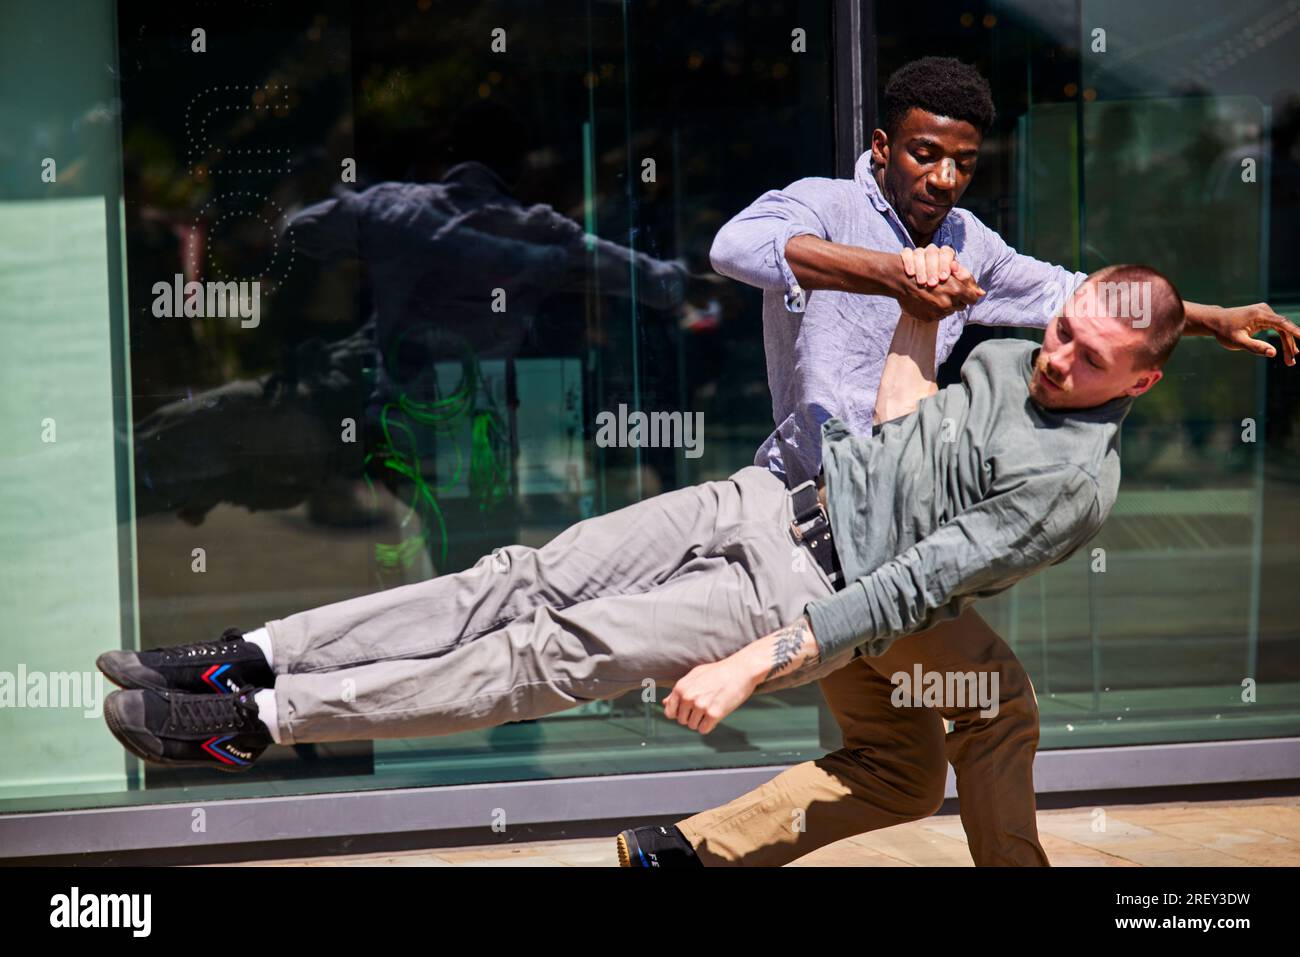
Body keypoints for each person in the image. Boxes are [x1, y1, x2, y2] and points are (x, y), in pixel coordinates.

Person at [99, 263, 1178, 822]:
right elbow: (905, 428)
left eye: (1090, 358)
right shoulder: (1007, 355)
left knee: (540, 658)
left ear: (1139, 382)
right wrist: (912, 317)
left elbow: (909, 590)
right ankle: (257, 654)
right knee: (511, 579)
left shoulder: (1070, 486)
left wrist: (757, 664)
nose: (1058, 355)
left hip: (799, 589)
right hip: (764, 494)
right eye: (1064, 326)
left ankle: (256, 722)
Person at [621, 55, 1298, 868]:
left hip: (892, 528)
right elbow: (735, 247)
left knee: (900, 769)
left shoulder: (967, 242)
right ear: (881, 146)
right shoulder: (827, 205)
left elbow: (1079, 299)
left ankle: (679, 853)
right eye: (924, 154)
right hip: (831, 529)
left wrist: (1211, 316)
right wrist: (891, 274)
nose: (945, 178)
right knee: (999, 705)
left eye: (964, 163)